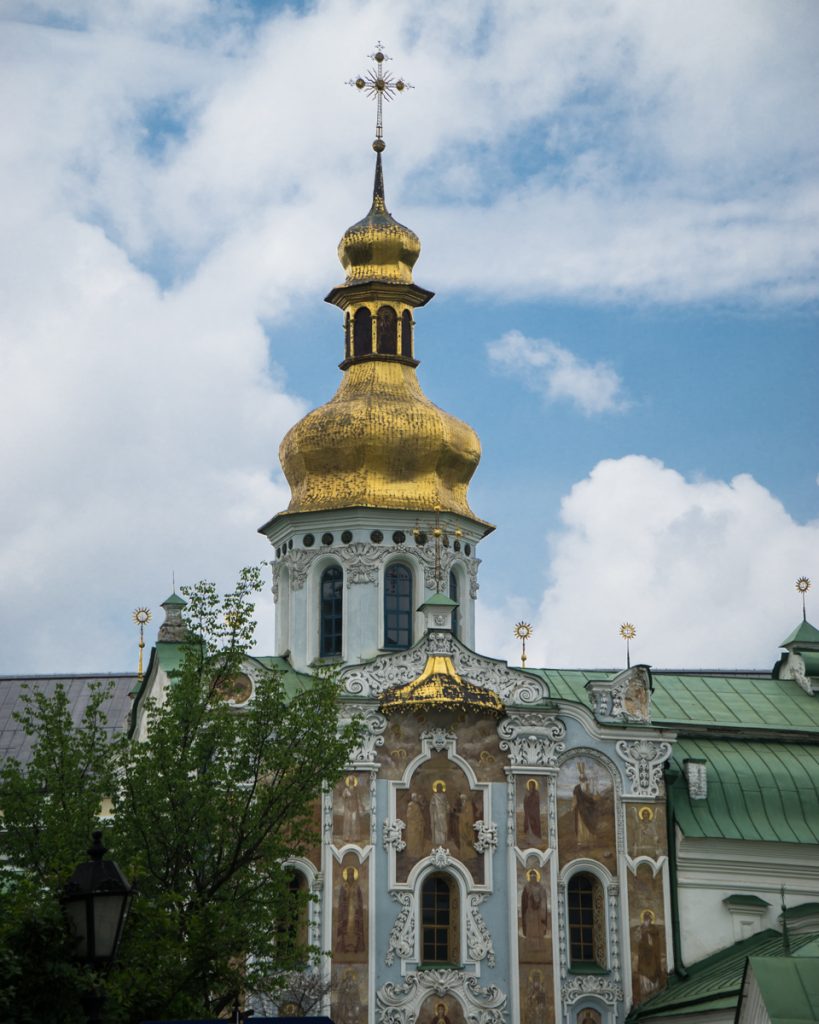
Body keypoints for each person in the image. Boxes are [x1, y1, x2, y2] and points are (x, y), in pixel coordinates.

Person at [336, 866, 364, 953]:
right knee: (345, 929)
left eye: (352, 875)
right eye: (349, 875)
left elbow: (360, 900)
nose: (351, 877)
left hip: (354, 911)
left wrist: (358, 907)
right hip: (346, 912)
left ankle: (356, 947)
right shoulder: (344, 887)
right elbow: (341, 899)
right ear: (347, 876)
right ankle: (345, 947)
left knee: (355, 929)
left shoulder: (357, 887)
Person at [635, 909, 662, 998]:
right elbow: (637, 940)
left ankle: (655, 990)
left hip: (653, 954)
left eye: (649, 919)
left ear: (651, 919)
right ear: (644, 919)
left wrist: (649, 933)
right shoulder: (641, 928)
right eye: (646, 919)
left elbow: (657, 939)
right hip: (644, 954)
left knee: (654, 970)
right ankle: (645, 990)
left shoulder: (654, 929)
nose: (647, 920)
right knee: (644, 971)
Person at [521, 868, 549, 947]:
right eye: (531, 877)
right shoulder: (527, 887)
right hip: (529, 911)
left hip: (538, 913)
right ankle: (530, 945)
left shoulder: (541, 887)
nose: (532, 878)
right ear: (529, 877)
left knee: (538, 928)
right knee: (530, 928)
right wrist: (528, 899)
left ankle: (538, 946)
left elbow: (543, 898)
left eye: (534, 877)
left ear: (537, 877)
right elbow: (524, 900)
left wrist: (540, 906)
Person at [406, 792, 426, 858]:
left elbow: (419, 815)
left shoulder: (416, 805)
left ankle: (418, 854)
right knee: (413, 841)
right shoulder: (411, 805)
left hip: (417, 825)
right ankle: (413, 854)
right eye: (416, 798)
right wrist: (416, 820)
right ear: (413, 798)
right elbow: (409, 816)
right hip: (413, 826)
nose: (417, 799)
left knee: (418, 840)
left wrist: (421, 821)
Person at [430, 780, 449, 847]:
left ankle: (443, 841)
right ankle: (438, 841)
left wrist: (447, 808)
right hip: (436, 813)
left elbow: (447, 803)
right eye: (438, 787)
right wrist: (433, 806)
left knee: (443, 826)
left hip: (443, 812)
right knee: (437, 827)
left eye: (440, 787)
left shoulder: (444, 795)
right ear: (436, 788)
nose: (439, 788)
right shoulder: (434, 796)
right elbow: (431, 805)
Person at [523, 778, 541, 843]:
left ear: (534, 786)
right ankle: (529, 840)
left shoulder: (536, 794)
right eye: (529, 785)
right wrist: (527, 797)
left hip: (534, 813)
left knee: (534, 825)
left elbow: (536, 802)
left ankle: (535, 840)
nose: (530, 787)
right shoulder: (527, 793)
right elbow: (525, 803)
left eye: (531, 785)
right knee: (528, 826)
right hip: (528, 813)